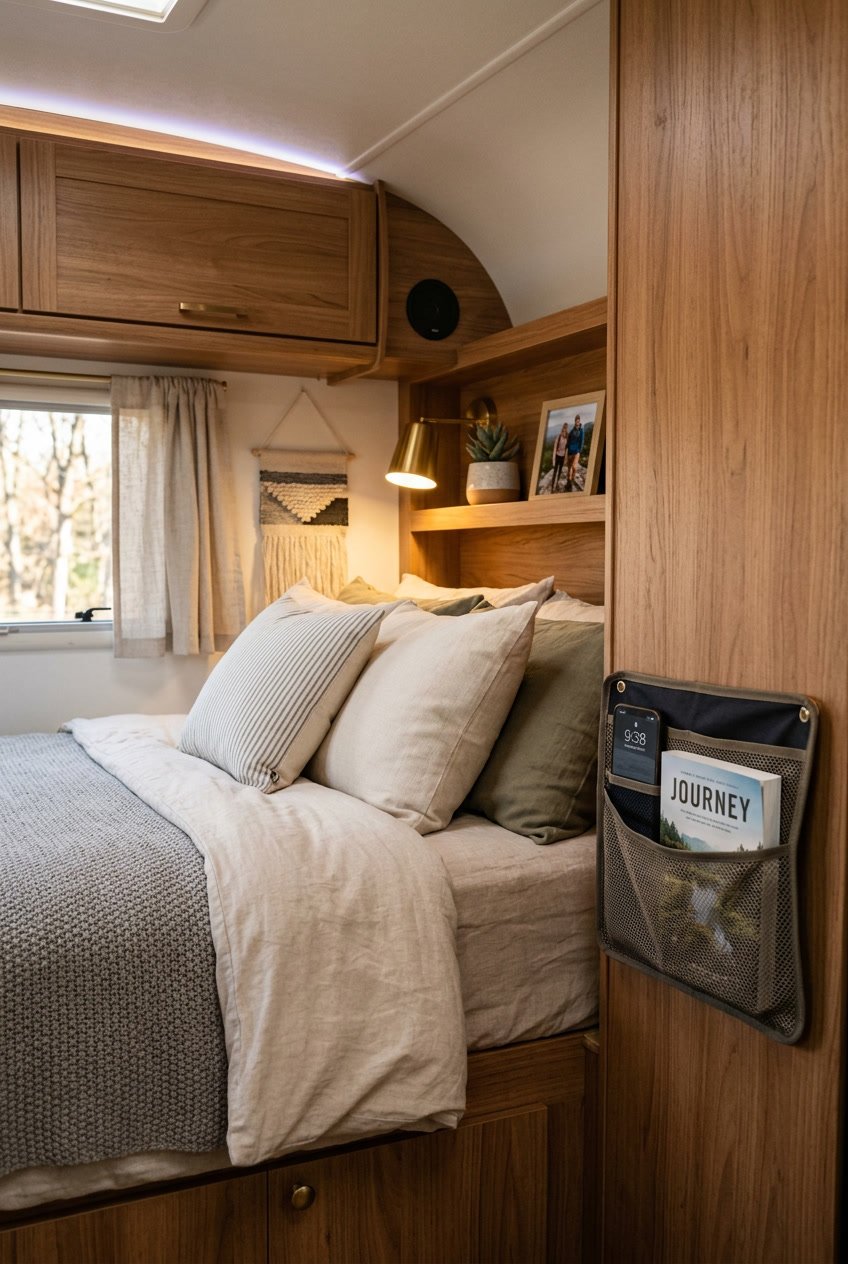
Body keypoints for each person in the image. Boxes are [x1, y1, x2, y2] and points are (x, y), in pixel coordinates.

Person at [565, 415, 584, 489]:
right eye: (576, 420)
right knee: (569, 468)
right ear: (575, 421)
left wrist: (579, 450)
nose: (577, 422)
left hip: (576, 452)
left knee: (574, 467)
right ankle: (568, 482)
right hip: (570, 451)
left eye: (578, 421)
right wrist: (567, 448)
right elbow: (568, 441)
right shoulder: (572, 431)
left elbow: (582, 441)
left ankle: (572, 479)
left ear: (579, 422)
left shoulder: (581, 430)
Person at [551, 421, 569, 491]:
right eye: (564, 427)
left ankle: (557, 483)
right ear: (562, 428)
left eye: (566, 428)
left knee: (559, 472)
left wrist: (565, 459)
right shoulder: (558, 437)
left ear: (567, 429)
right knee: (555, 471)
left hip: (563, 457)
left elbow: (566, 448)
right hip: (557, 456)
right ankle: (552, 486)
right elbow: (555, 448)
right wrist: (553, 459)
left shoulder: (567, 437)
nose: (565, 429)